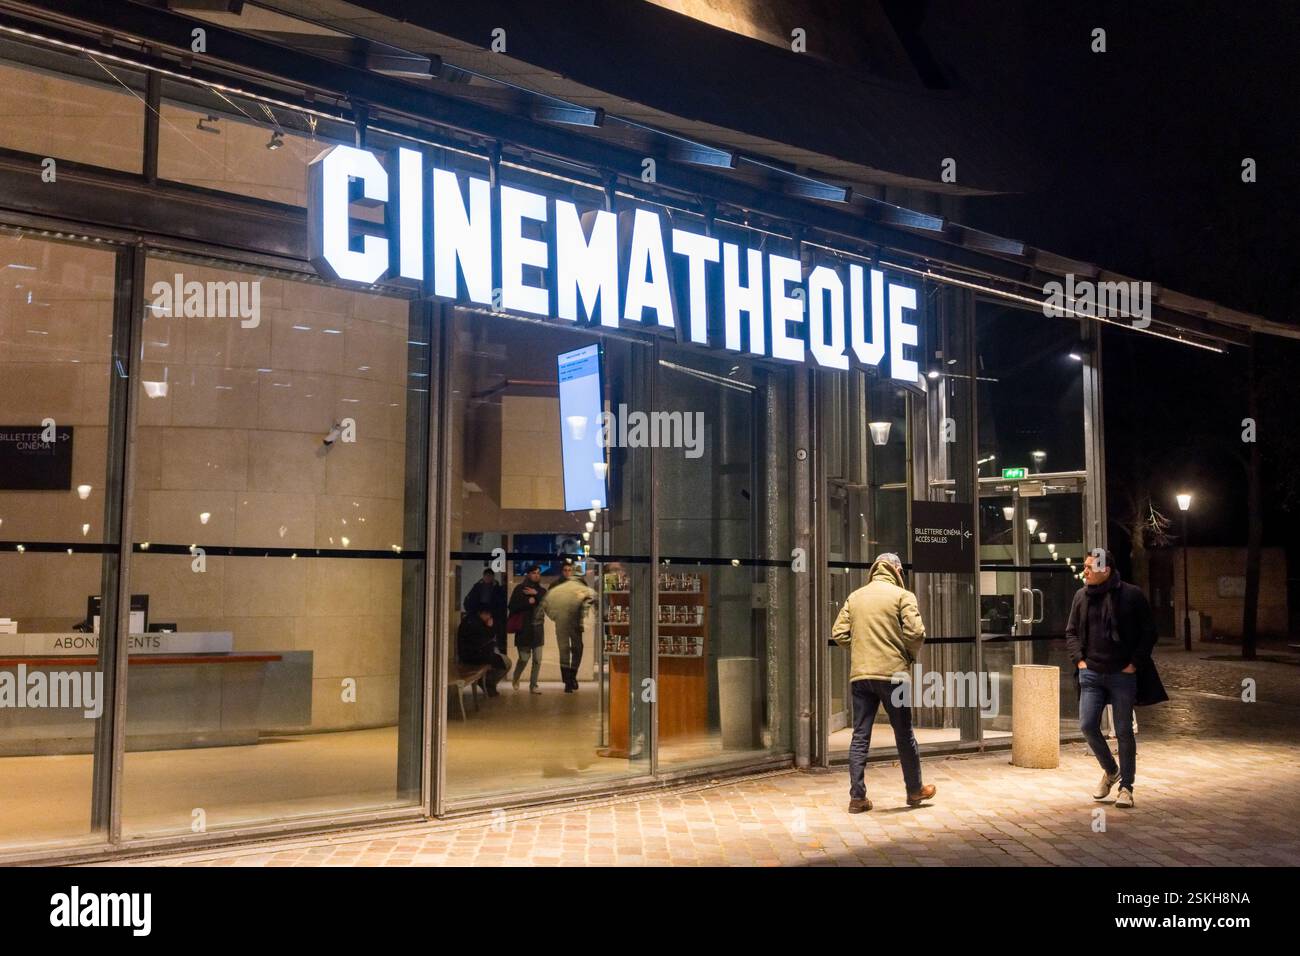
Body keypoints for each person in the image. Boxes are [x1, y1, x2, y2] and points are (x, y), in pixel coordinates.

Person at [831, 552, 935, 813]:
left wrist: (861, 651)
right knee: (904, 734)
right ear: (898, 571)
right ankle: (914, 791)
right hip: (893, 675)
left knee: (860, 736)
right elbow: (916, 633)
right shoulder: (903, 596)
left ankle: (857, 797)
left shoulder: (855, 596)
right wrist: (908, 655)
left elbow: (839, 633)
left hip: (861, 676)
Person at [1065, 548, 1159, 809]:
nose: (1084, 571)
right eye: (1084, 566)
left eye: (1089, 568)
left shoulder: (1131, 595)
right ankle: (1111, 770)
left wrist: (1133, 665)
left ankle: (1126, 787)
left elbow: (1148, 632)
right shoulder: (1081, 597)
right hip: (1091, 673)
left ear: (1104, 570)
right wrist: (1080, 662)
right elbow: (1071, 632)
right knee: (1087, 725)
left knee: (1124, 731)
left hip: (1122, 674)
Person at [541, 560, 595, 693]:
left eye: (569, 570)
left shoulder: (580, 583)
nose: (567, 572)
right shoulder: (555, 585)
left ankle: (572, 676)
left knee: (578, 649)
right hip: (562, 622)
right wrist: (555, 616)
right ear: (562, 571)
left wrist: (583, 611)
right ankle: (567, 680)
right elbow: (547, 604)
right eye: (565, 570)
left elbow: (589, 599)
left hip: (576, 621)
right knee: (564, 651)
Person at [508, 564, 547, 693]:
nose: (536, 575)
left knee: (537, 659)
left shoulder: (541, 591)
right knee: (524, 658)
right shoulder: (520, 589)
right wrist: (527, 602)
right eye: (534, 572)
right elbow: (512, 607)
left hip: (538, 629)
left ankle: (533, 686)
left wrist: (535, 594)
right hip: (524, 629)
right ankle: (516, 676)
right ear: (528, 574)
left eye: (538, 573)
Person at [456, 608, 509, 697]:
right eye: (488, 615)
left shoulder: (472, 620)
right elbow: (486, 639)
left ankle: (488, 684)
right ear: (483, 613)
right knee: (506, 663)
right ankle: (487, 683)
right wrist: (489, 627)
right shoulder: (475, 623)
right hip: (474, 655)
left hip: (472, 653)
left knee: (502, 661)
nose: (489, 618)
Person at [463, 566, 508, 653]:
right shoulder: (477, 588)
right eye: (486, 576)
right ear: (483, 576)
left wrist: (492, 615)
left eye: (489, 576)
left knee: (492, 635)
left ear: (493, 577)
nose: (488, 578)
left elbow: (501, 605)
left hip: (493, 616)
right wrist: (477, 614)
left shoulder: (497, 589)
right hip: (478, 616)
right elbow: (468, 602)